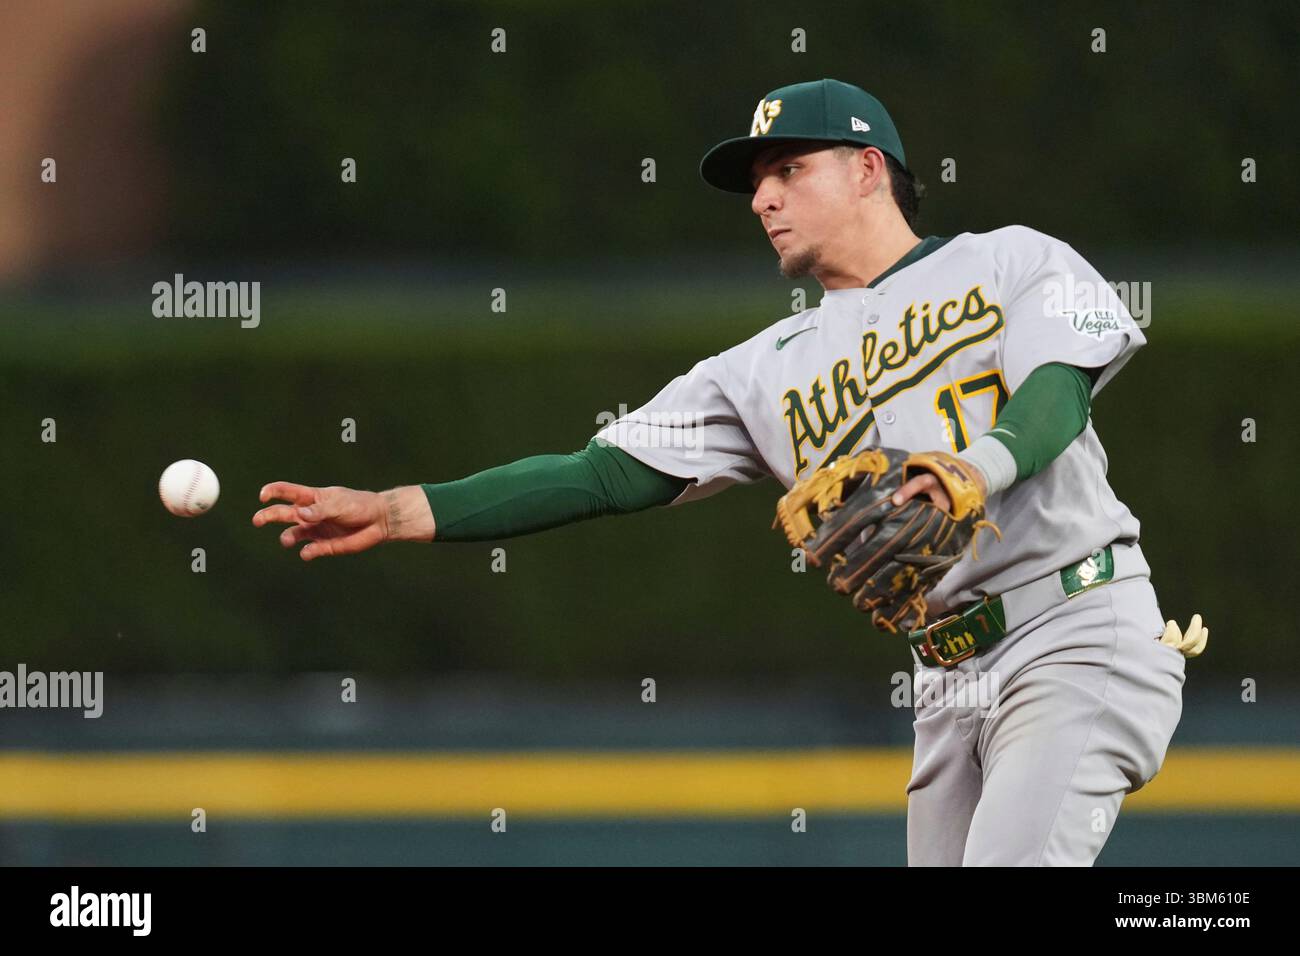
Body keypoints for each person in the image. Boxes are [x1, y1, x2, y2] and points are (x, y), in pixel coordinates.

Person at [253, 78, 1189, 866]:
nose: (763, 198)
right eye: (756, 182)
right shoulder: (757, 369)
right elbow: (601, 473)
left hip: (1075, 628)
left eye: (789, 169)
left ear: (869, 171)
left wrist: (973, 469)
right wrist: (408, 507)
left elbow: (1058, 398)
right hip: (947, 678)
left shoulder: (1013, 260)